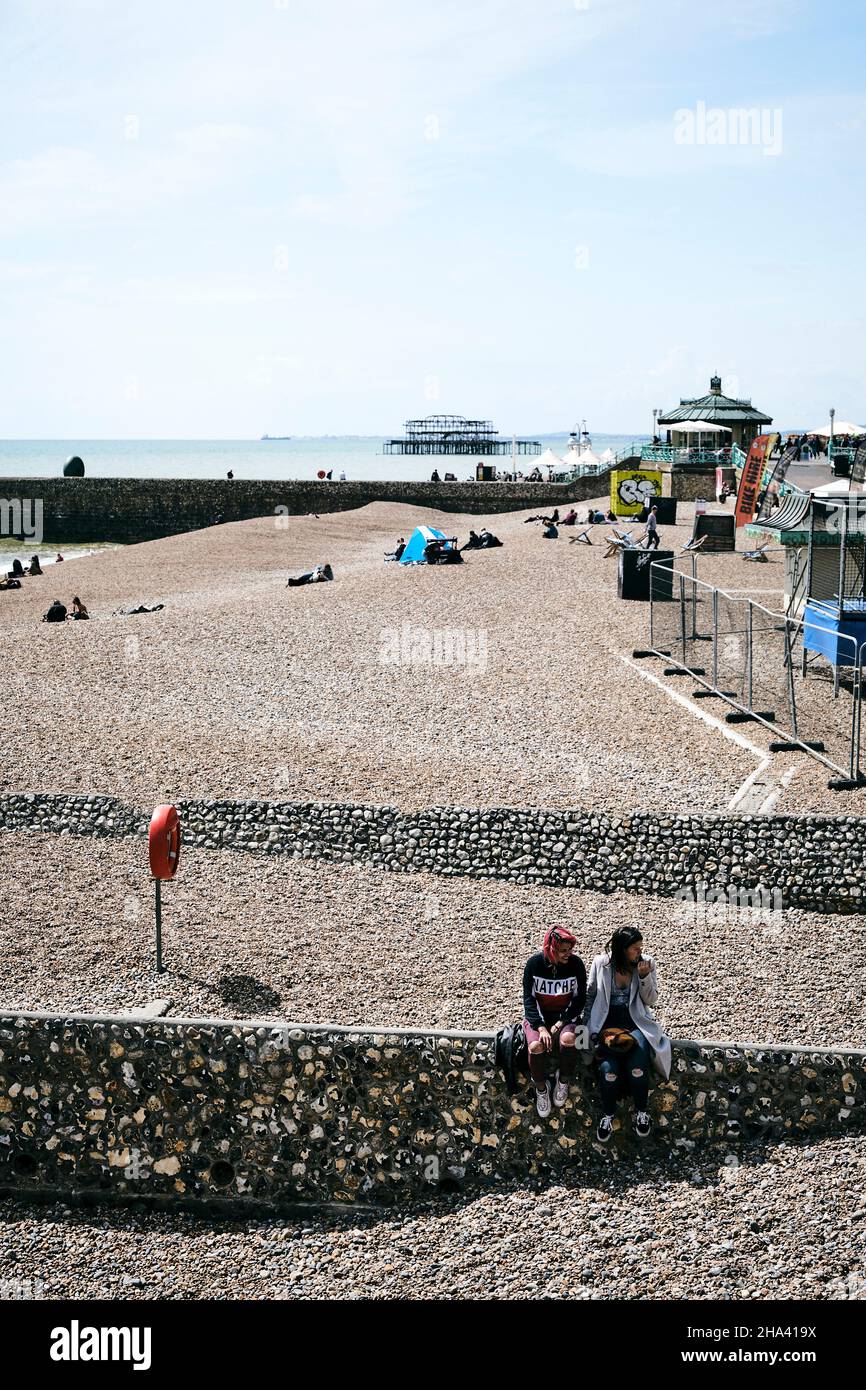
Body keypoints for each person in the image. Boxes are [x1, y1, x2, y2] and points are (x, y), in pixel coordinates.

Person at [584, 926, 671, 1143]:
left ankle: (642, 1111)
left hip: (636, 1024)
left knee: (638, 1068)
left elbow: (651, 1000)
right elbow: (590, 996)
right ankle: (608, 1114)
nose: (639, 952)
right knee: (608, 1070)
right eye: (635, 948)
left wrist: (644, 977)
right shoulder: (601, 963)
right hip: (607, 1025)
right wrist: (585, 1028)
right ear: (622, 949)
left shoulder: (646, 963)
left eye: (641, 947)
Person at [522, 926, 587, 1118]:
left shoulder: (576, 964)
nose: (568, 954)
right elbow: (528, 999)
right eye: (563, 950)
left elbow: (579, 999)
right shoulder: (534, 964)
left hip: (567, 1018)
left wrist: (561, 1022)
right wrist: (541, 1027)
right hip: (539, 1018)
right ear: (551, 949)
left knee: (569, 1038)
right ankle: (541, 1089)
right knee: (535, 1046)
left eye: (570, 950)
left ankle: (563, 1079)